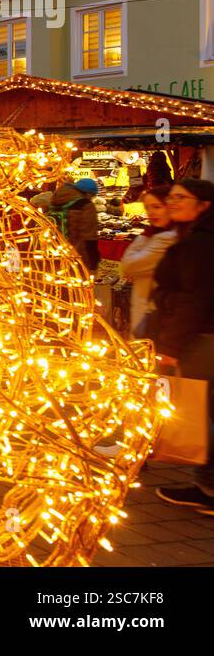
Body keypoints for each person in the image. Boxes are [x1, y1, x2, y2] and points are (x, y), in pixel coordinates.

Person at [148, 179, 214, 514]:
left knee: (201, 410)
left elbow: (194, 298)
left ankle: (208, 488)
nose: (172, 202)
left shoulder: (199, 244)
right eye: (170, 196)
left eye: (180, 197)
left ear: (203, 204)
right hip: (203, 334)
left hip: (201, 338)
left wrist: (171, 345)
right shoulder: (194, 238)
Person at [119, 186, 177, 338]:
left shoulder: (166, 239)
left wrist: (145, 235)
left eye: (157, 207)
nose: (151, 213)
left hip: (153, 314)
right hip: (152, 313)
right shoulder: (161, 235)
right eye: (148, 208)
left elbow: (128, 265)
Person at [50, 177, 101, 272]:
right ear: (87, 193)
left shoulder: (54, 201)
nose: (92, 198)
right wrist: (93, 259)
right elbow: (89, 235)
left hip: (54, 250)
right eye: (92, 195)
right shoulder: (86, 205)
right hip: (77, 254)